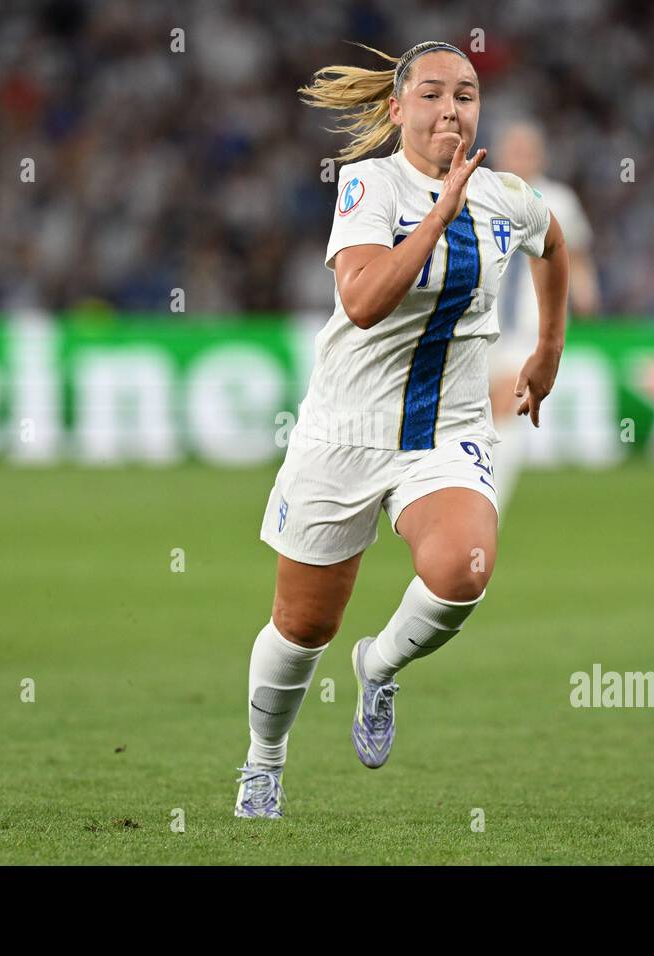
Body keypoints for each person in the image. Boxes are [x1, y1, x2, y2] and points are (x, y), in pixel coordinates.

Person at [235, 40, 570, 818]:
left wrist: (548, 348)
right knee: (302, 626)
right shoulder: (368, 186)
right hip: (343, 433)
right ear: (397, 109)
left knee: (466, 566)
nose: (450, 109)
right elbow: (363, 300)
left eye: (465, 94)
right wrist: (439, 215)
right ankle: (265, 760)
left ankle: (379, 667)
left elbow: (551, 242)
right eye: (431, 94)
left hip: (446, 432)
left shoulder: (506, 196)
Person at [486, 120, 598, 507]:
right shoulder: (482, 193)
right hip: (481, 325)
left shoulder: (558, 199)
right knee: (481, 417)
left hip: (529, 330)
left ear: (540, 156)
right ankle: (469, 507)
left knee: (506, 402)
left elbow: (576, 255)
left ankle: (489, 507)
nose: (519, 157)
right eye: (513, 149)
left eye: (526, 150)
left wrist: (585, 292)